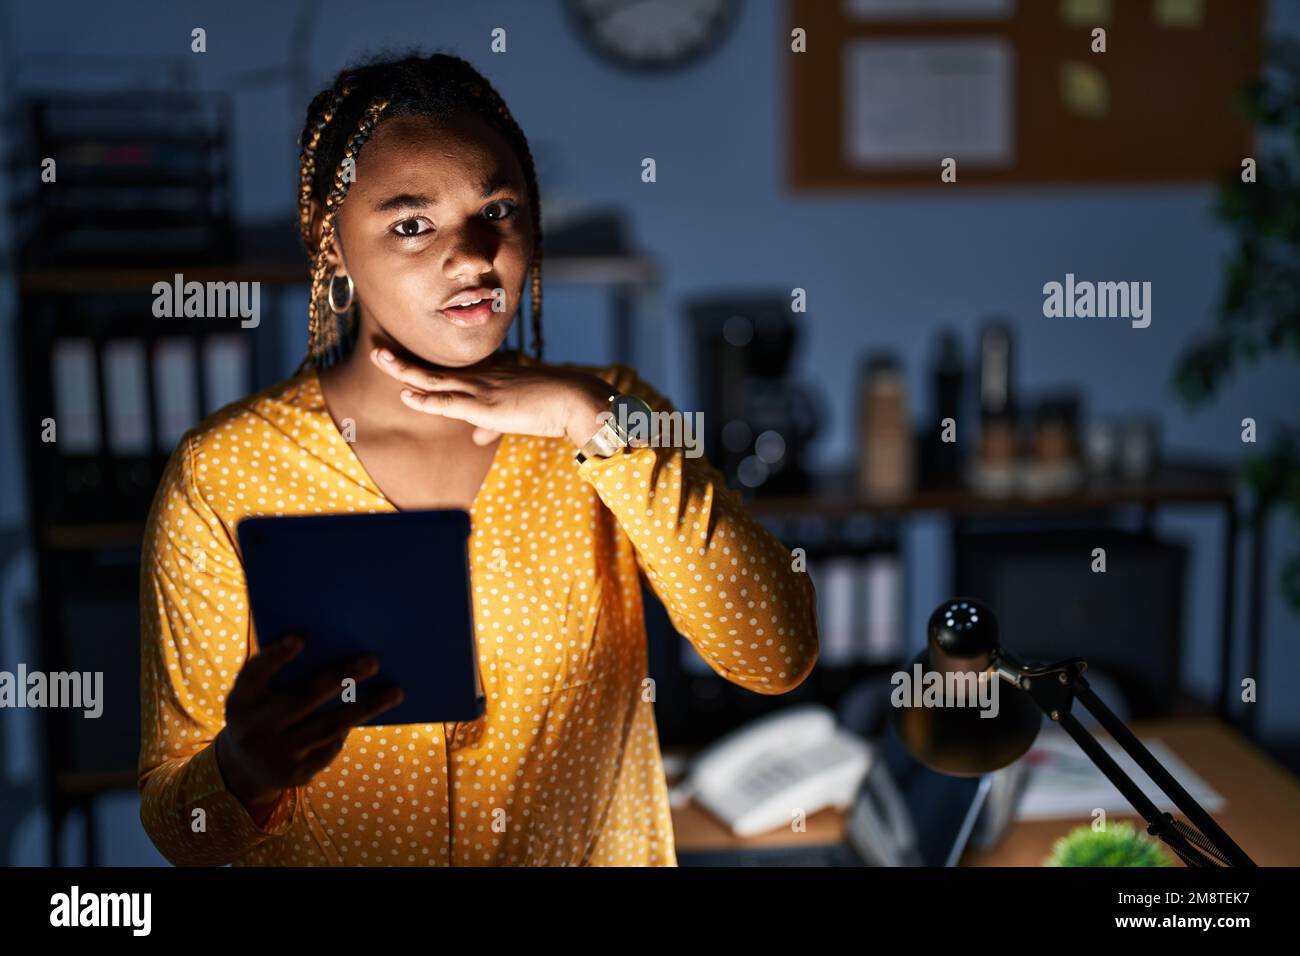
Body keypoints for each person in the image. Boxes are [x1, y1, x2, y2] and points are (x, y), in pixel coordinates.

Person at [137, 50, 819, 866]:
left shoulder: (613, 415)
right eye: (412, 223)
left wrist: (585, 417)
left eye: (497, 209)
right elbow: (182, 828)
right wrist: (241, 771)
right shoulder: (226, 473)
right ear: (333, 245)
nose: (472, 255)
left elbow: (775, 655)